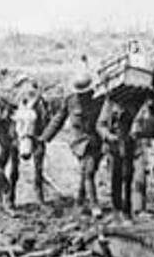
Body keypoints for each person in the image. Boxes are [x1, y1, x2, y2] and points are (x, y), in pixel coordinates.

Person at [41, 68, 103, 213]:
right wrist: (45, 136)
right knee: (88, 171)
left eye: (85, 93)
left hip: (96, 141)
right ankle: (94, 205)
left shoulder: (98, 100)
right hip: (79, 143)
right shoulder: (70, 101)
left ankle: (80, 201)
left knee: (86, 171)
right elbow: (59, 119)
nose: (82, 96)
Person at [97, 87, 143, 220]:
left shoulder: (136, 102)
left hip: (130, 144)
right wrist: (109, 136)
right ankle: (117, 208)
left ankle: (127, 209)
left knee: (128, 176)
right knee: (116, 176)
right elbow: (100, 124)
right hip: (114, 145)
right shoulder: (110, 102)